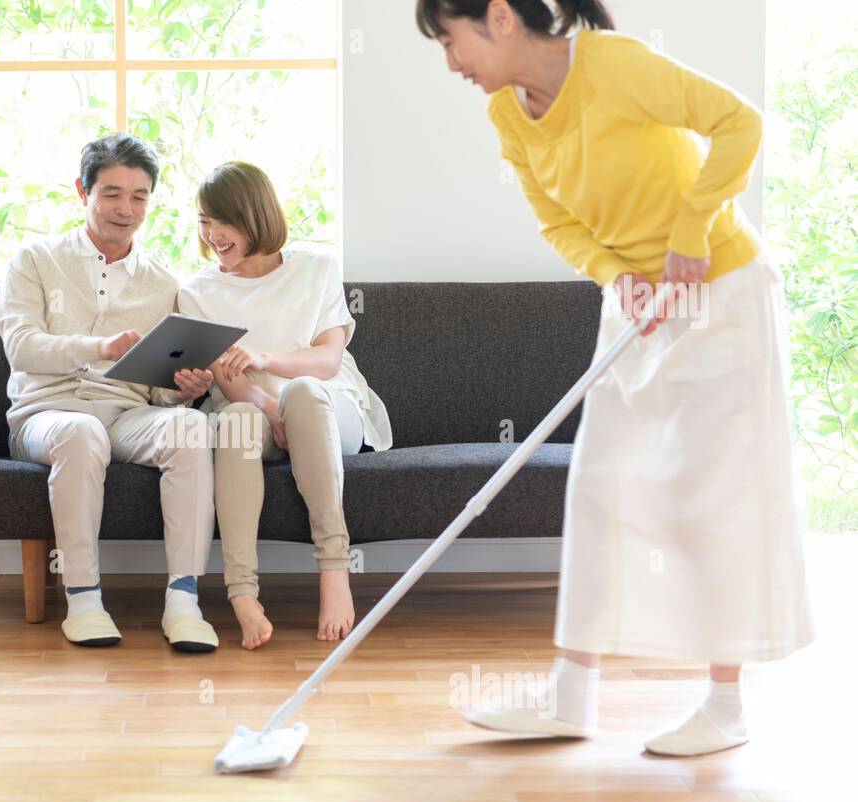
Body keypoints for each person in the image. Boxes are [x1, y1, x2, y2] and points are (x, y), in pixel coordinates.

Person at [416, 0, 816, 755]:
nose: (451, 63)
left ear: (499, 16)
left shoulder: (616, 65)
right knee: (602, 487)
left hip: (721, 295)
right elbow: (556, 222)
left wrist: (693, 228)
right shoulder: (508, 115)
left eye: (450, 39)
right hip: (636, 307)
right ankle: (572, 695)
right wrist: (612, 274)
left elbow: (740, 121)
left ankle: (727, 704)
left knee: (714, 497)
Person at [0, 133, 220, 652]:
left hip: (126, 414)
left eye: (140, 196)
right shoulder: (35, 260)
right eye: (113, 193)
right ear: (83, 191)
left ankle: (184, 602)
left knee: (190, 425)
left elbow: (155, 390)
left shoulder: (165, 283)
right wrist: (99, 346)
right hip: (47, 414)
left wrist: (183, 390)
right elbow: (22, 347)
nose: (127, 209)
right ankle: (84, 600)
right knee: (80, 431)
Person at [177, 161, 394, 650]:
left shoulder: (316, 268)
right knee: (233, 418)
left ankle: (334, 570)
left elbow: (326, 358)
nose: (212, 234)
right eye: (203, 221)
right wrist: (271, 411)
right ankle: (241, 593)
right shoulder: (195, 292)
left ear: (255, 215)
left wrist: (268, 360)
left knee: (301, 392)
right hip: (256, 415)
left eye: (222, 221)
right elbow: (229, 382)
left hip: (327, 407)